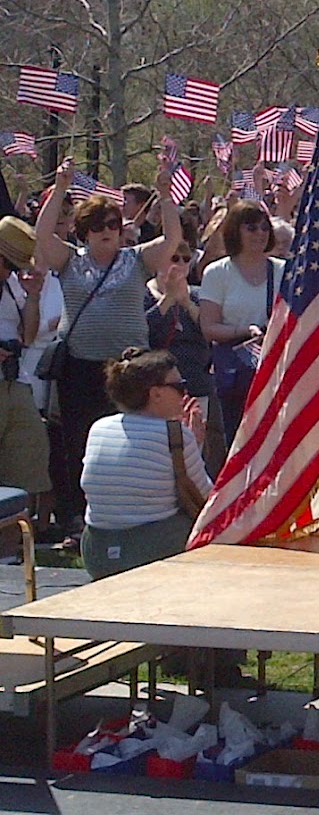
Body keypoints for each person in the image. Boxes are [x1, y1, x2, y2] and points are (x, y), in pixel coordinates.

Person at [33, 157, 182, 541]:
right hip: (79, 369)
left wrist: (164, 197)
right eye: (97, 226)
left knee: (131, 440)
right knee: (77, 445)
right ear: (84, 231)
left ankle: (133, 513)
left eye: (113, 225)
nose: (106, 232)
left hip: (129, 370)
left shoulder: (135, 261)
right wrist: (61, 188)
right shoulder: (69, 261)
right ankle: (76, 519)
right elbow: (42, 234)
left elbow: (172, 240)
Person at [79, 348, 209, 579]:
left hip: (96, 552)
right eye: (179, 386)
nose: (185, 393)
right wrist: (195, 445)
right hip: (149, 552)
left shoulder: (99, 427)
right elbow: (205, 497)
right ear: (156, 394)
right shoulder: (174, 434)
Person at [196, 204, 284, 455]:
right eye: (251, 227)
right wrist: (245, 331)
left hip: (275, 370)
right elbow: (209, 327)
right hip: (234, 376)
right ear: (235, 230)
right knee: (238, 446)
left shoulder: (284, 270)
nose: (260, 233)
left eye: (265, 227)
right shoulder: (217, 273)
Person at [0, 217, 52, 551]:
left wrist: (33, 296)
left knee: (29, 455)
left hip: (14, 382)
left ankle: (10, 553)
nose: (10, 271)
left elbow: (29, 336)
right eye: (9, 264)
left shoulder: (14, 287)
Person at [143, 240, 217, 472]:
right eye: (174, 258)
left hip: (195, 384)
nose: (181, 264)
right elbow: (143, 332)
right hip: (158, 389)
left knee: (194, 451)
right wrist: (167, 299)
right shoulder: (142, 293)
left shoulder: (198, 295)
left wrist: (185, 302)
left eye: (186, 259)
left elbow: (209, 332)